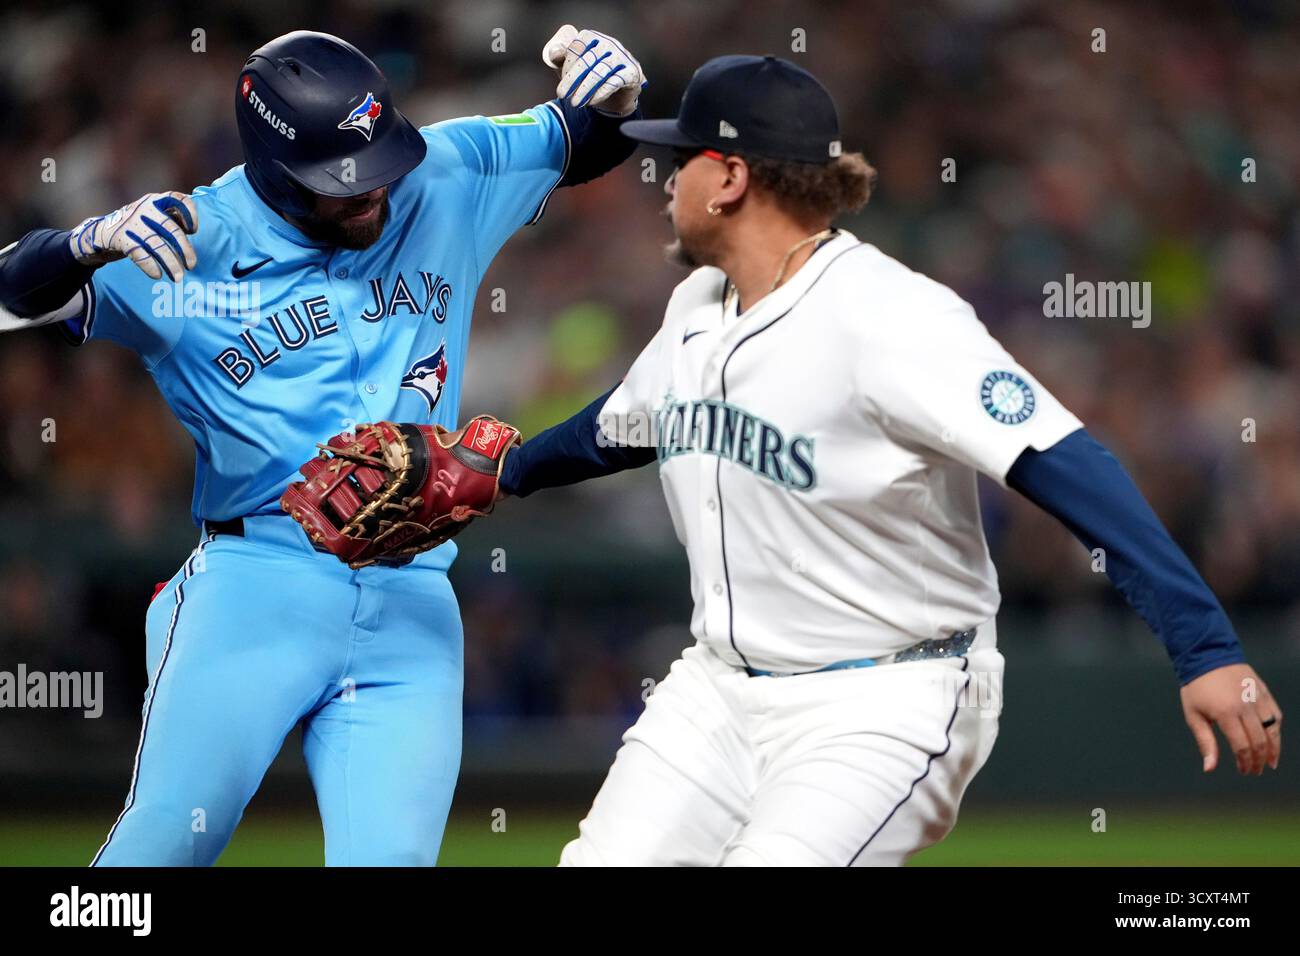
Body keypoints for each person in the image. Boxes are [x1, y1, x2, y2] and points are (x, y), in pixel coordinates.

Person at [491, 55, 1283, 866]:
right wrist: (500, 471)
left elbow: (1064, 461)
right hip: (715, 690)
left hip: (884, 695)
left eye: (678, 160)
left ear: (729, 177)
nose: (664, 182)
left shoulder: (889, 317)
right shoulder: (697, 304)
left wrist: (1205, 648)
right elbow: (620, 426)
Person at [0, 25, 646, 866]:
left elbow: (577, 139)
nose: (373, 195)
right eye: (344, 184)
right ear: (274, 168)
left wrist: (615, 97)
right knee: (161, 850)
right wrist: (80, 245)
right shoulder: (188, 243)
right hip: (253, 587)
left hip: (411, 597)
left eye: (379, 166)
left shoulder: (442, 175)